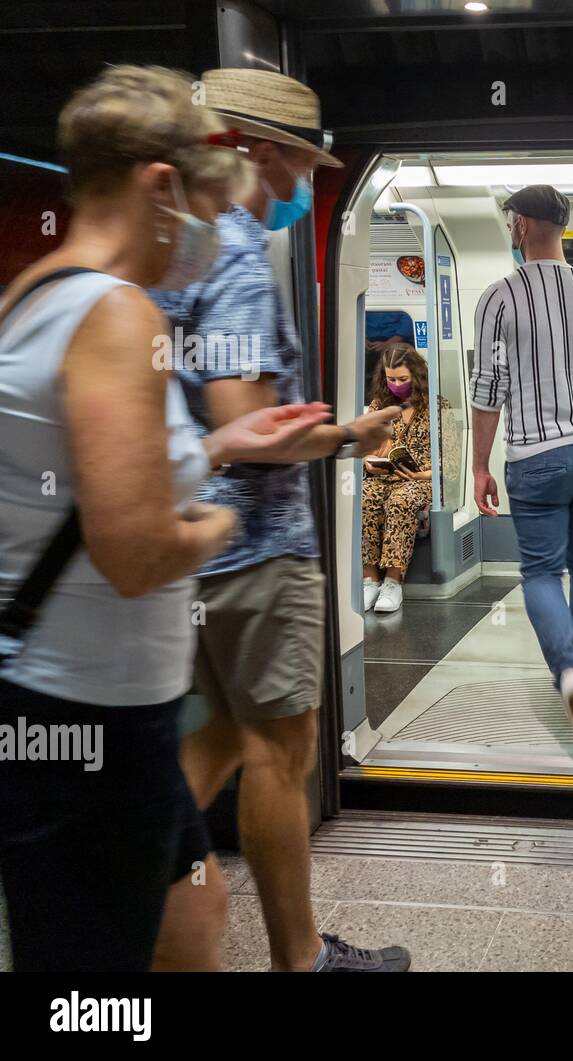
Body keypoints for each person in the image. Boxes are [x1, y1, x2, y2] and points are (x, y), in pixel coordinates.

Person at [0, 65, 333, 972]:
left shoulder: (33, 294)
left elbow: (95, 475)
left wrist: (221, 449)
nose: (208, 235)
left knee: (192, 914)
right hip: (87, 719)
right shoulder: (114, 315)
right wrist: (220, 527)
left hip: (104, 705)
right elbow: (139, 553)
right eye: (201, 204)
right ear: (158, 187)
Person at [148, 67, 409, 973]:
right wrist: (349, 434)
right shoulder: (232, 257)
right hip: (255, 547)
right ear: (259, 154)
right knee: (283, 746)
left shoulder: (175, 251)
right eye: (300, 168)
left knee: (222, 732)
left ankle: (133, 886)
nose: (304, 190)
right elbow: (244, 426)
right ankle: (301, 959)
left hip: (199, 542)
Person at [469, 185, 573, 751]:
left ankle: (567, 672)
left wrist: (478, 466)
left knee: (542, 572)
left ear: (519, 226)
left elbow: (489, 389)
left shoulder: (499, 298)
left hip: (535, 455)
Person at [361, 342, 461, 612]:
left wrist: (420, 474)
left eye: (402, 379)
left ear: (416, 376)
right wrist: (370, 463)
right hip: (385, 476)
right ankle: (369, 579)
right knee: (365, 497)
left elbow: (450, 463)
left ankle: (393, 581)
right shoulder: (378, 407)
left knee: (400, 501)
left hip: (423, 480)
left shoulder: (438, 408)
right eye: (390, 379)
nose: (396, 385)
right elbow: (366, 451)